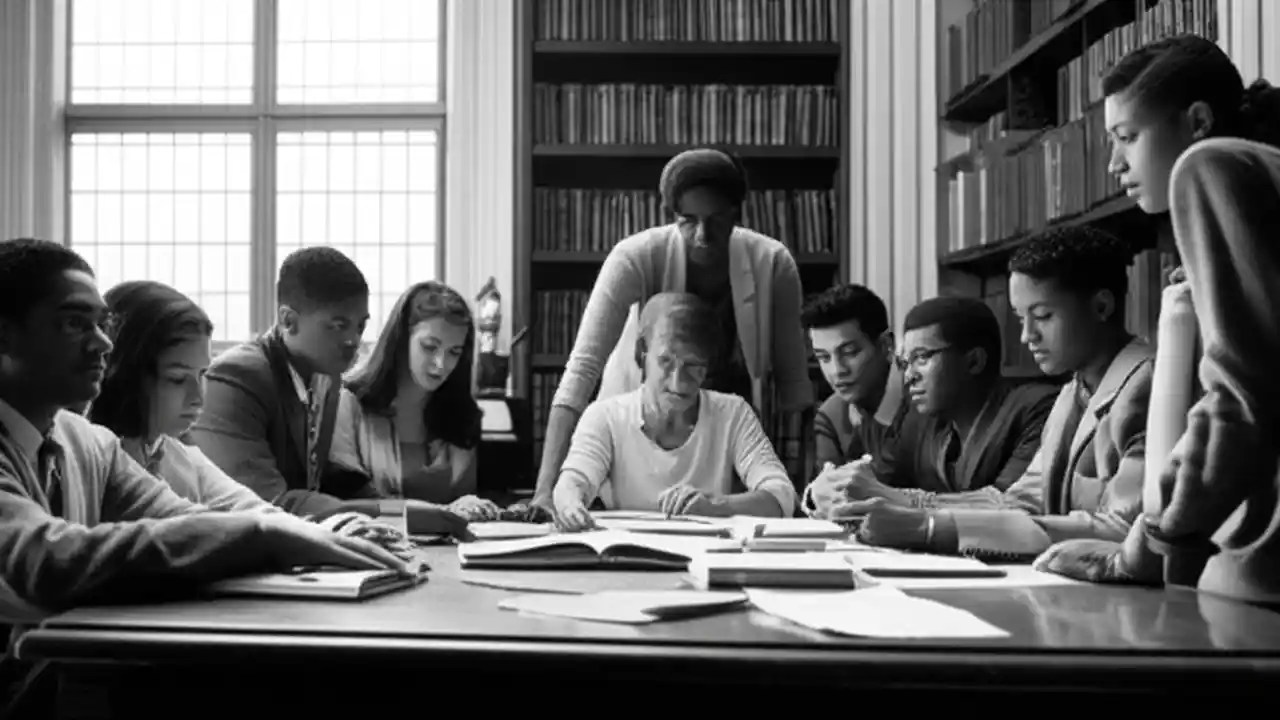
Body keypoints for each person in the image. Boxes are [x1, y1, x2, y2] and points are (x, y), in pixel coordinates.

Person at [0, 239, 411, 624]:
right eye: (75, 323)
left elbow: (186, 516)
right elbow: (47, 560)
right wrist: (266, 536)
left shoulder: (88, 442)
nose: (104, 343)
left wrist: (302, 533)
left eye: (102, 323)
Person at [1034, 35, 1280, 607]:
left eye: (1127, 138)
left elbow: (1242, 400)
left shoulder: (1211, 162)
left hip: (1258, 573)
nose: (1115, 163)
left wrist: (1142, 551)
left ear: (1197, 120)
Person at [833, 227, 1154, 557]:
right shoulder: (1072, 394)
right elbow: (1021, 504)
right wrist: (909, 511)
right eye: (1020, 318)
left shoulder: (1146, 388)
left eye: (1042, 316)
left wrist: (927, 527)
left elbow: (1126, 530)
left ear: (1101, 307)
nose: (1026, 336)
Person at [527, 148, 813, 517]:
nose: (703, 235)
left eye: (717, 220)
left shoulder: (773, 262)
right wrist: (545, 491)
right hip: (641, 417)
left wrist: (807, 493)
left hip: (720, 430)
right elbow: (581, 371)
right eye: (688, 220)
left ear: (737, 213)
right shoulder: (634, 256)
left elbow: (795, 386)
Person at [188, 248, 467, 537]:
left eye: (360, 326)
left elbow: (333, 482)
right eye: (338, 325)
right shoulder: (237, 377)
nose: (353, 340)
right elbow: (267, 505)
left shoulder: (327, 379)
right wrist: (400, 515)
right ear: (288, 321)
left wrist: (399, 512)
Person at [553, 293, 796, 531]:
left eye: (693, 366)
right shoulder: (605, 416)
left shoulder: (732, 414)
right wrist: (571, 505)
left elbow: (781, 495)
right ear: (641, 354)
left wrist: (715, 505)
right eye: (665, 361)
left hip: (707, 554)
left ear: (707, 367)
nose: (679, 382)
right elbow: (574, 481)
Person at [807, 297, 1056, 518]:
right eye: (906, 362)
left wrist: (902, 500)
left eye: (922, 357)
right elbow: (871, 481)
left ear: (973, 361)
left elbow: (1012, 508)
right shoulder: (917, 419)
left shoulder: (1036, 410)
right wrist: (824, 490)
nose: (909, 376)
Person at [329, 281, 501, 522]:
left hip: (448, 552)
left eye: (454, 352)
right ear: (401, 340)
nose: (441, 365)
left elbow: (463, 502)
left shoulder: (460, 414)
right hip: (372, 547)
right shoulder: (347, 404)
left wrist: (471, 505)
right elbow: (346, 503)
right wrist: (438, 514)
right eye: (430, 347)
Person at [798, 284, 909, 516]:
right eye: (824, 357)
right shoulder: (832, 414)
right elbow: (826, 492)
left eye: (849, 353)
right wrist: (815, 496)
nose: (837, 371)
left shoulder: (924, 398)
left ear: (886, 346)